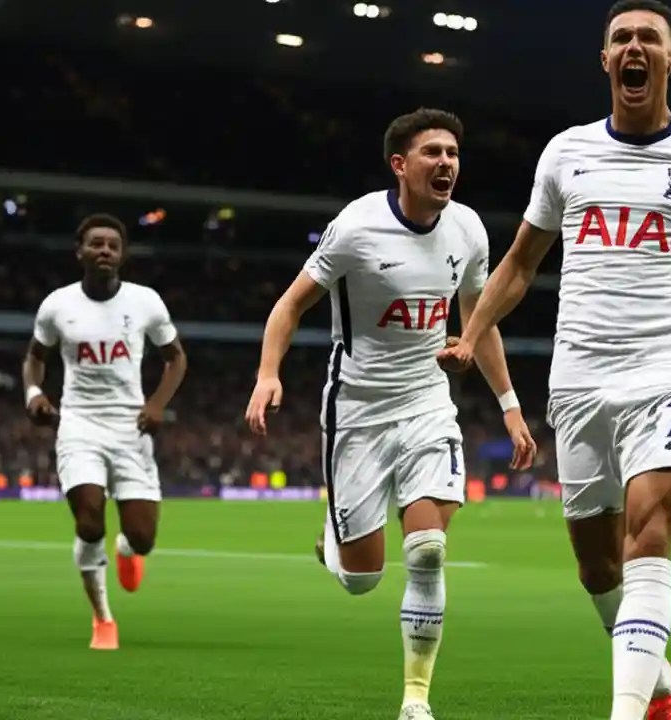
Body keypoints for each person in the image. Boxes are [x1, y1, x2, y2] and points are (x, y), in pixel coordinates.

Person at [437, 2, 671, 717]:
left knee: (648, 529)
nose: (633, 47)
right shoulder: (566, 154)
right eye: (620, 38)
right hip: (580, 376)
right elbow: (521, 264)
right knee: (597, 566)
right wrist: (472, 332)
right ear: (604, 60)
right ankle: (661, 686)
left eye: (648, 38)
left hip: (666, 370)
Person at [244, 108, 536, 720]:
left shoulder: (469, 230)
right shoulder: (356, 226)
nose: (447, 163)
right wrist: (269, 374)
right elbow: (290, 305)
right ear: (400, 164)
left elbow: (478, 325)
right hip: (356, 409)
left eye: (453, 153)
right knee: (362, 579)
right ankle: (334, 537)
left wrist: (510, 407)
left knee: (427, 549)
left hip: (429, 403)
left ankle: (415, 700)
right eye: (432, 152)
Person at [23, 213, 188, 651]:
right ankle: (103, 620)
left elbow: (176, 358)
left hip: (130, 427)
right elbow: (34, 357)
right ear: (80, 252)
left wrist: (156, 404)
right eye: (96, 244)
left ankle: (128, 551)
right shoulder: (57, 305)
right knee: (89, 517)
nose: (104, 251)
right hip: (78, 424)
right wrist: (34, 393)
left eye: (113, 245)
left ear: (122, 255)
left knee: (143, 538)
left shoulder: (145, 302)